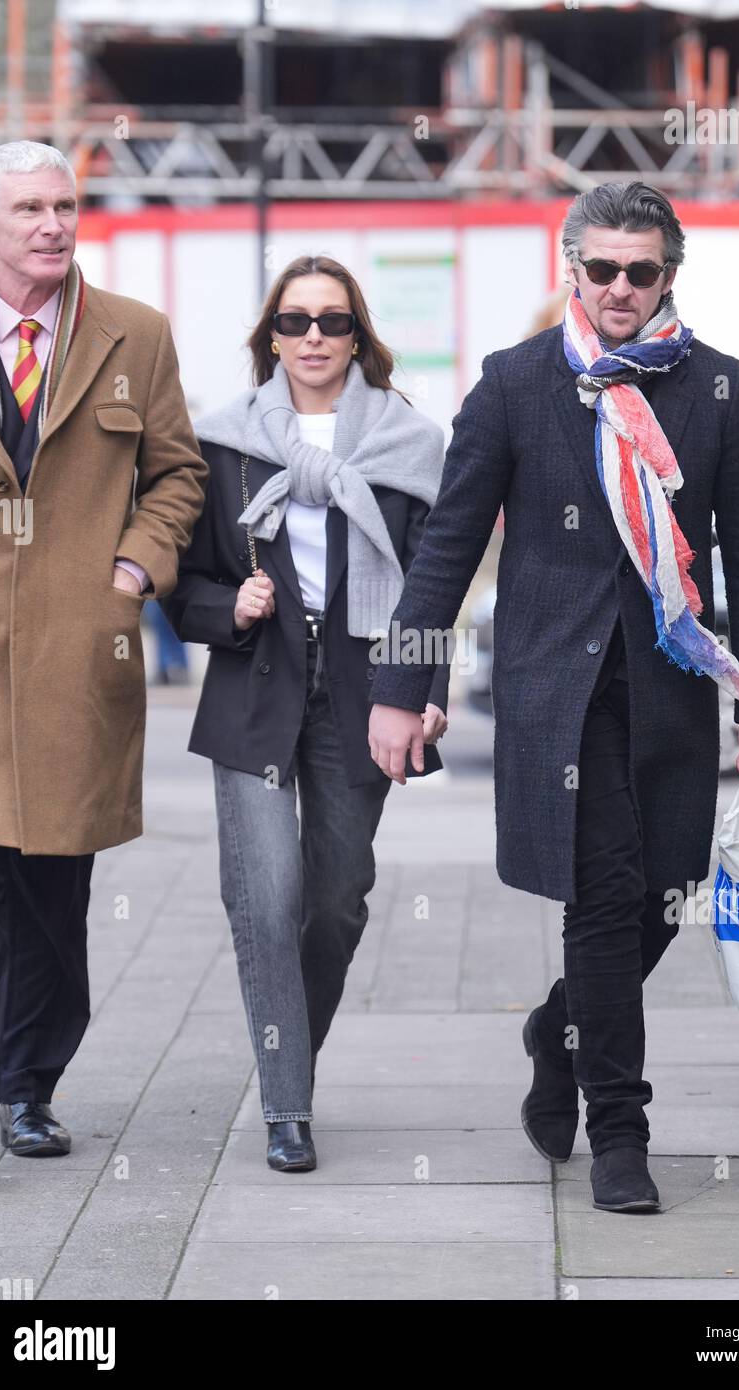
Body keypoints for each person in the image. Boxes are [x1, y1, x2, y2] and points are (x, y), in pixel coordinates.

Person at [368, 181, 739, 1214]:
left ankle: (555, 1031)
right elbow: (446, 547)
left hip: (670, 687)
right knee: (601, 897)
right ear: (572, 268)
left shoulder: (718, 389)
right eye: (600, 268)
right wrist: (401, 686)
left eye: (639, 270)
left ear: (667, 275)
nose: (618, 287)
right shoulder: (514, 383)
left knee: (662, 896)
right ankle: (619, 1133)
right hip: (556, 693)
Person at [161, 254, 449, 1172]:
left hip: (366, 689)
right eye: (295, 321)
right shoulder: (225, 444)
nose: (313, 337)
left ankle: (291, 1057)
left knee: (336, 898)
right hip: (256, 683)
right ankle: (287, 1107)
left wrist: (427, 691)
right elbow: (182, 584)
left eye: (332, 321)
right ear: (272, 337)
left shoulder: (409, 442)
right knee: (266, 893)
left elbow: (433, 584)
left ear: (357, 336)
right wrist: (228, 609)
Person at [0, 141, 207, 1184]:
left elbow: (177, 474)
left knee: (52, 893)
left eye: (64, 205)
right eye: (28, 209)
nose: (52, 225)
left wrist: (133, 570)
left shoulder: (132, 334)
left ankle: (30, 1086)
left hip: (78, 655)